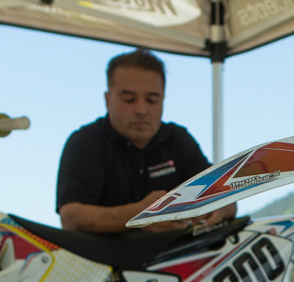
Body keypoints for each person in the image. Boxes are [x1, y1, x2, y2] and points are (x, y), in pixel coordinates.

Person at [55, 49, 236, 234]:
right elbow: (71, 218)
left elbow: (228, 200)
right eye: (129, 99)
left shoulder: (178, 139)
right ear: (107, 100)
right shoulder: (85, 143)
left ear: (163, 100)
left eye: (151, 100)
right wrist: (141, 215)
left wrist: (217, 209)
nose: (141, 109)